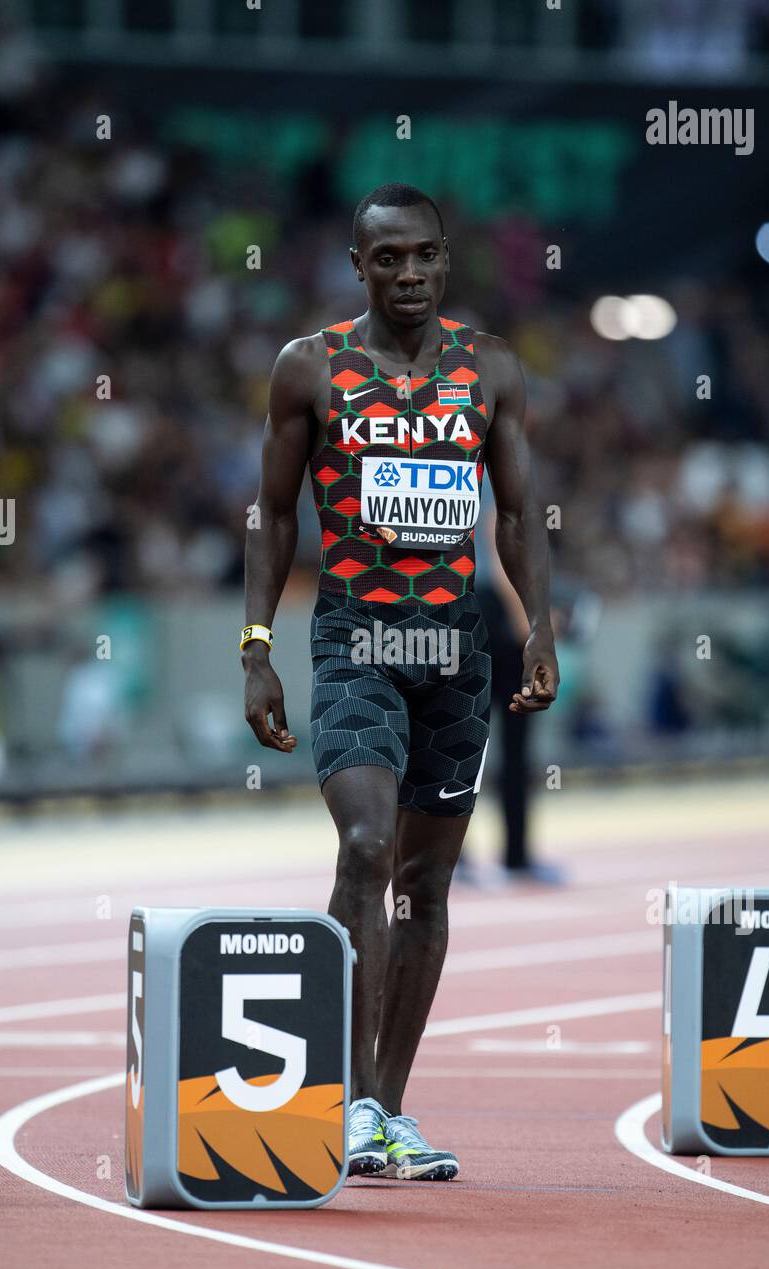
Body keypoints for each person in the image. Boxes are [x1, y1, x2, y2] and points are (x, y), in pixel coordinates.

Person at [243, 183, 559, 1180]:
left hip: (455, 660)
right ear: (356, 266)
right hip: (354, 647)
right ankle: (341, 1103)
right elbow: (272, 515)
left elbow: (514, 514)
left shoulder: (489, 369)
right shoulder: (311, 369)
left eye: (423, 256)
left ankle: (383, 1108)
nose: (408, 274)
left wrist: (537, 625)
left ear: (444, 260)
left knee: (423, 881)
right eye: (387, 259)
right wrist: (256, 645)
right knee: (367, 846)